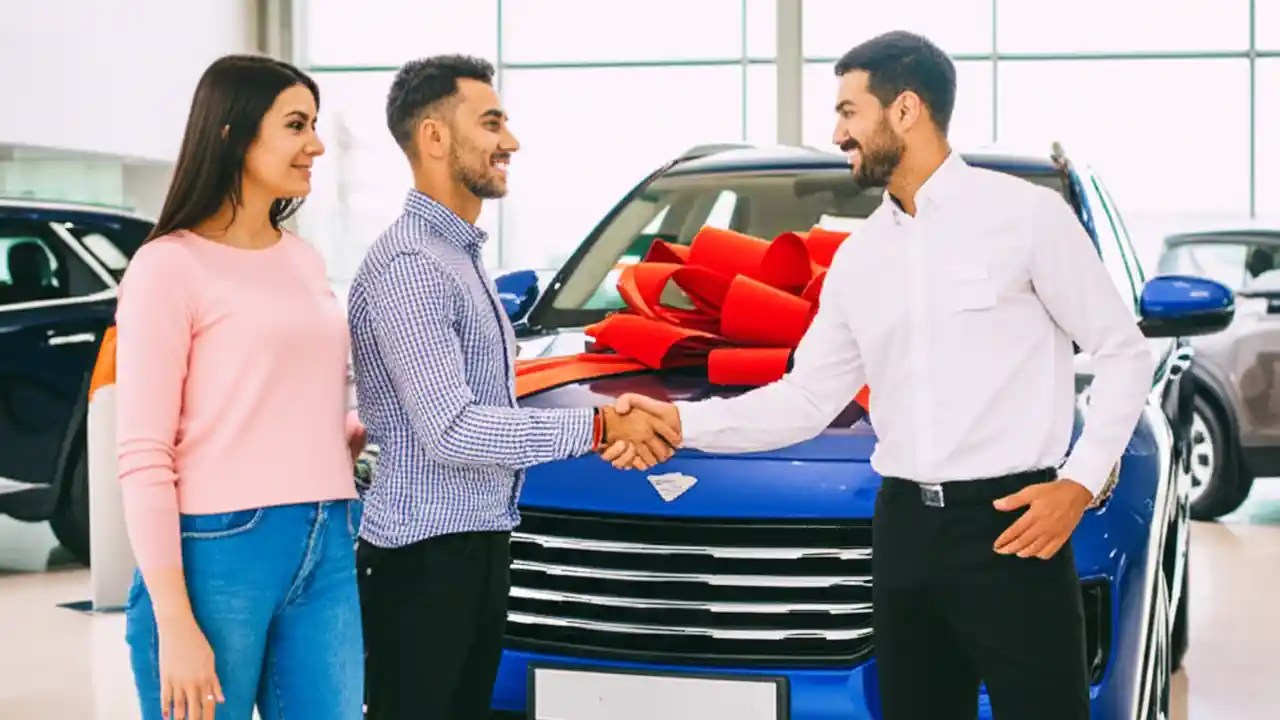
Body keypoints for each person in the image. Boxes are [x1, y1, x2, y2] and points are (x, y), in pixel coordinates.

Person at [609, 31, 1153, 720]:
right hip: (903, 531)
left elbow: (1122, 350)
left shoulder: (1026, 218)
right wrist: (678, 422)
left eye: (848, 111)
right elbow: (806, 399)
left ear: (905, 110)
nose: (837, 133)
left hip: (1011, 526)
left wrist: (1078, 482)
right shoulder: (861, 259)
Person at [346, 54, 677, 720]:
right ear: (434, 137)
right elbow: (452, 430)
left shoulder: (457, 257)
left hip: (474, 546)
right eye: (492, 123)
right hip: (423, 559)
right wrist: (602, 426)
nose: (512, 142)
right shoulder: (412, 265)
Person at [116, 55, 367, 720]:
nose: (316, 144)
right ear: (232, 133)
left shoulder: (303, 259)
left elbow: (284, 404)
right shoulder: (167, 267)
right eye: (296, 125)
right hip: (217, 552)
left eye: (313, 124)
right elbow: (143, 453)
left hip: (327, 536)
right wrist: (174, 621)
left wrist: (361, 428)